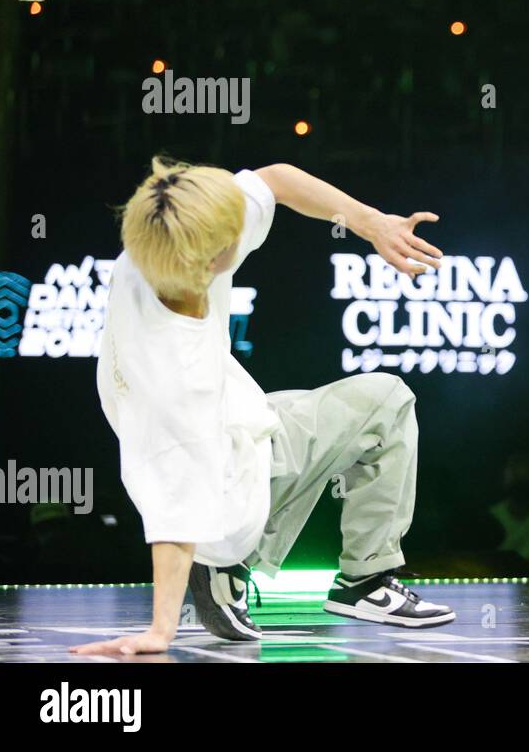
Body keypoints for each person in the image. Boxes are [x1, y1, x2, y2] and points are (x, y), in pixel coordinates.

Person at [73, 158, 455, 657]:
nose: (245, 232)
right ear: (212, 261)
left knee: (306, 420)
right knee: (386, 400)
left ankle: (231, 563)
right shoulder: (176, 378)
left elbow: (275, 179)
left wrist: (370, 222)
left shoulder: (153, 241)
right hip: (231, 491)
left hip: (228, 430)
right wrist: (159, 632)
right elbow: (175, 513)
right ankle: (356, 580)